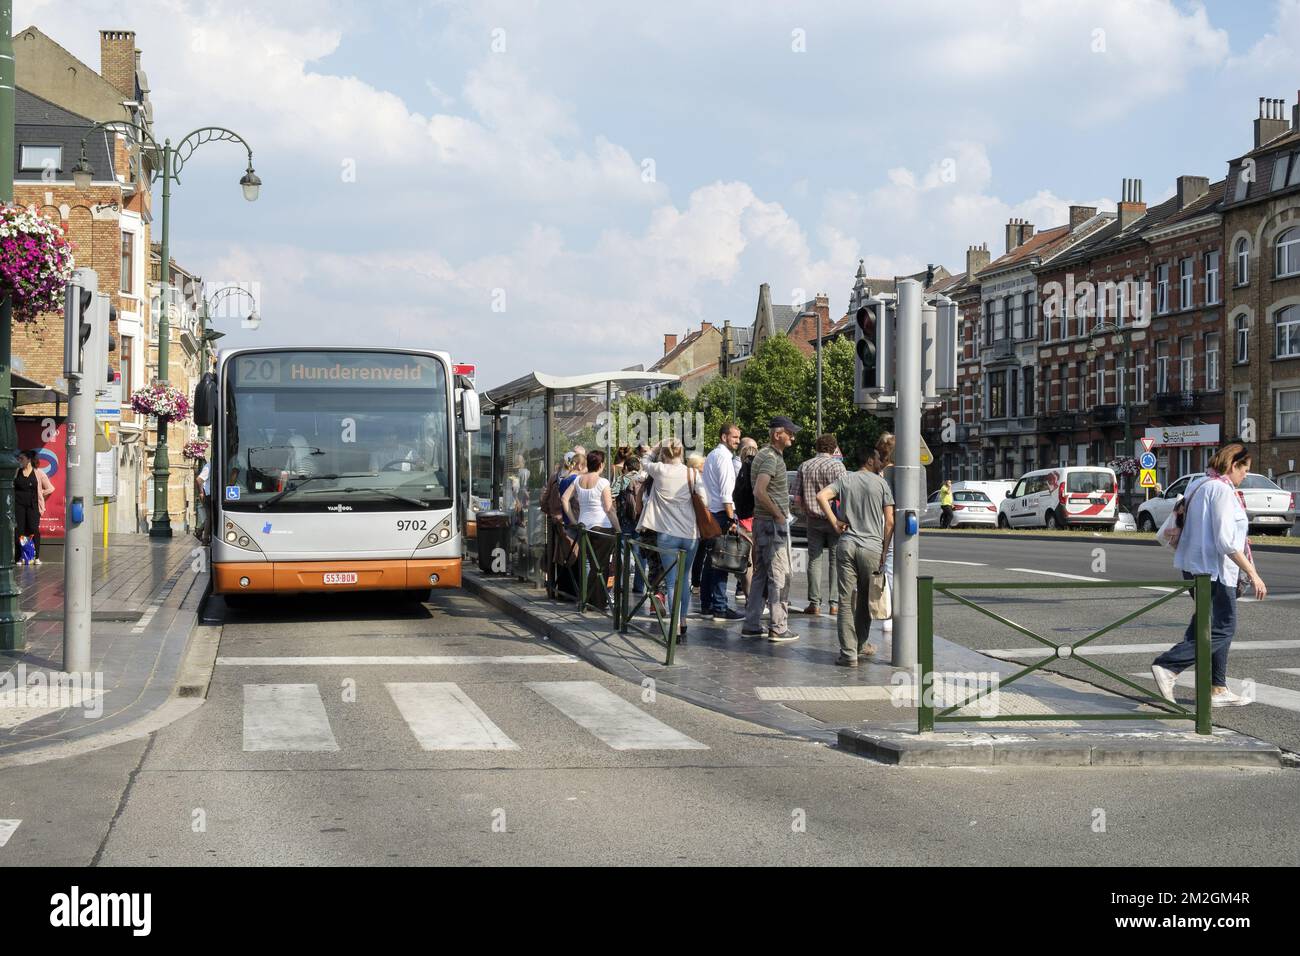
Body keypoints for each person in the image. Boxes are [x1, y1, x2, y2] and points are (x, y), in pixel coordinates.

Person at [1151, 441, 1267, 707]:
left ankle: (1217, 688)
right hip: (1214, 572)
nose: (1246, 475)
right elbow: (1226, 542)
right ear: (1233, 465)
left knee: (1204, 626)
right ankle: (1169, 665)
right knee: (1223, 629)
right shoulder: (1222, 491)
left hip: (1194, 567)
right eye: (1245, 469)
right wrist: (1253, 572)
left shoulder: (1198, 484)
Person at [817, 448, 895, 666]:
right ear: (870, 460)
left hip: (847, 544)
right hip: (871, 547)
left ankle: (848, 653)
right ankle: (861, 644)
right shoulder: (881, 484)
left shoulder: (845, 480)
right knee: (866, 599)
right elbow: (889, 522)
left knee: (844, 599)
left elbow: (821, 496)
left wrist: (834, 522)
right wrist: (884, 548)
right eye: (879, 458)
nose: (881, 462)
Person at [741, 418, 801, 643]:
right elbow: (759, 490)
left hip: (761, 523)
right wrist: (777, 513)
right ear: (778, 434)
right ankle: (778, 626)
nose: (792, 438)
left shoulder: (764, 455)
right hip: (771, 524)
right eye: (790, 433)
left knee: (760, 574)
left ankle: (752, 623)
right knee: (780, 576)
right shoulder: (770, 458)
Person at [637, 438, 703, 643]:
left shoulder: (659, 470)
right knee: (685, 580)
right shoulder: (691, 473)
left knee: (672, 582)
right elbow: (705, 500)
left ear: (664, 453)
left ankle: (674, 627)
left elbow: (644, 460)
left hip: (666, 535)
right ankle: (683, 621)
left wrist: (655, 448)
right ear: (681, 453)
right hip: (690, 535)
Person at [793, 433, 847, 616]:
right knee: (835, 560)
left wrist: (806, 511)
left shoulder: (805, 466)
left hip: (813, 520)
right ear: (833, 449)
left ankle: (814, 603)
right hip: (835, 519)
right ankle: (834, 604)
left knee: (814, 560)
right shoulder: (838, 467)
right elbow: (845, 494)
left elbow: (797, 498)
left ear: (817, 447)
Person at [562, 449, 620, 609]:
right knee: (601, 567)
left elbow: (564, 499)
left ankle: (586, 599)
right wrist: (619, 529)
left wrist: (573, 520)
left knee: (588, 563)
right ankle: (597, 601)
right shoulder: (603, 483)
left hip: (583, 526)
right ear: (601, 465)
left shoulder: (578, 480)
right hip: (602, 528)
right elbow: (609, 509)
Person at [700, 423, 743, 622]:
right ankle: (720, 607)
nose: (737, 441)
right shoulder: (724, 458)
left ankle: (707, 605)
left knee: (710, 562)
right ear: (724, 437)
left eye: (738, 437)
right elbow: (727, 495)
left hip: (710, 513)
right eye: (734, 437)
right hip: (720, 514)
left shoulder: (711, 455)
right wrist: (732, 518)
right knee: (722, 562)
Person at [14, 451, 55, 565]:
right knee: (20, 531)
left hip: (33, 506)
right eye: (19, 458)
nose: (19, 461)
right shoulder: (17, 472)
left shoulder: (39, 473)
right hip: (19, 506)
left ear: (29, 460)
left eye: (21, 458)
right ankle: (20, 557)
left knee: (33, 529)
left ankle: (36, 556)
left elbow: (50, 488)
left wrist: (40, 494)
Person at [875, 432, 897, 643]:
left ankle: (889, 613)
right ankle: (892, 614)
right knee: (892, 570)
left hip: (882, 523)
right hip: (892, 524)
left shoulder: (879, 472)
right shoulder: (894, 472)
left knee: (888, 568)